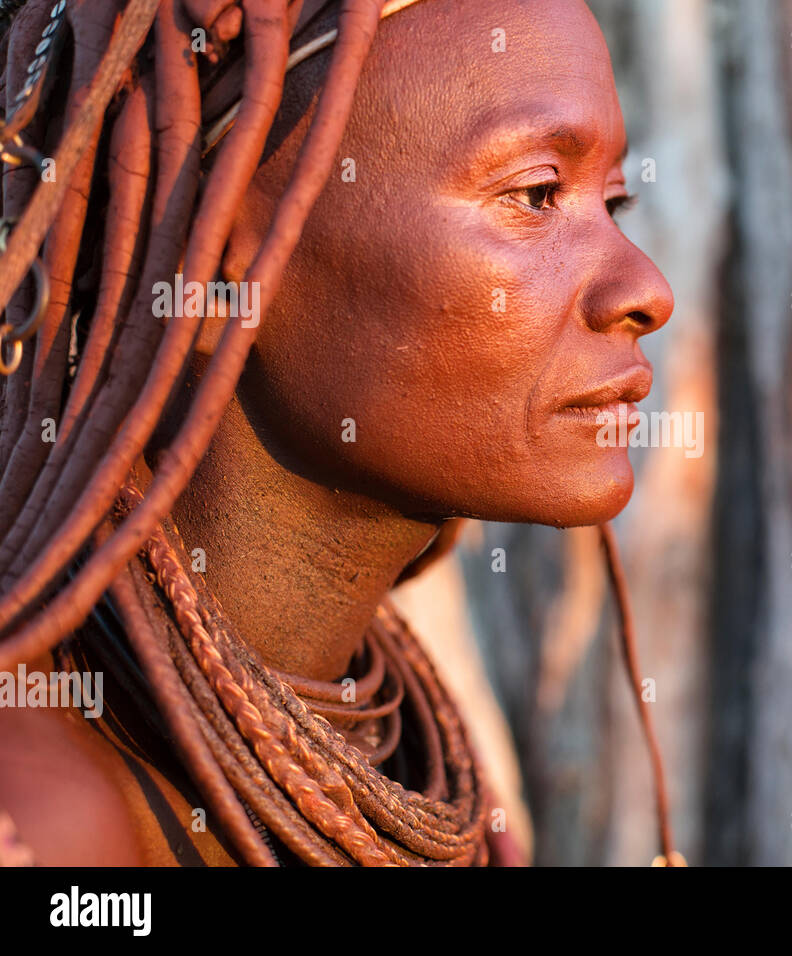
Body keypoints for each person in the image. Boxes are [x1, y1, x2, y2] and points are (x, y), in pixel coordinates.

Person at [0, 0, 679, 866]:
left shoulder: (427, 775)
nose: (645, 288)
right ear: (211, 253)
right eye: (537, 192)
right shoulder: (43, 821)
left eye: (613, 201)